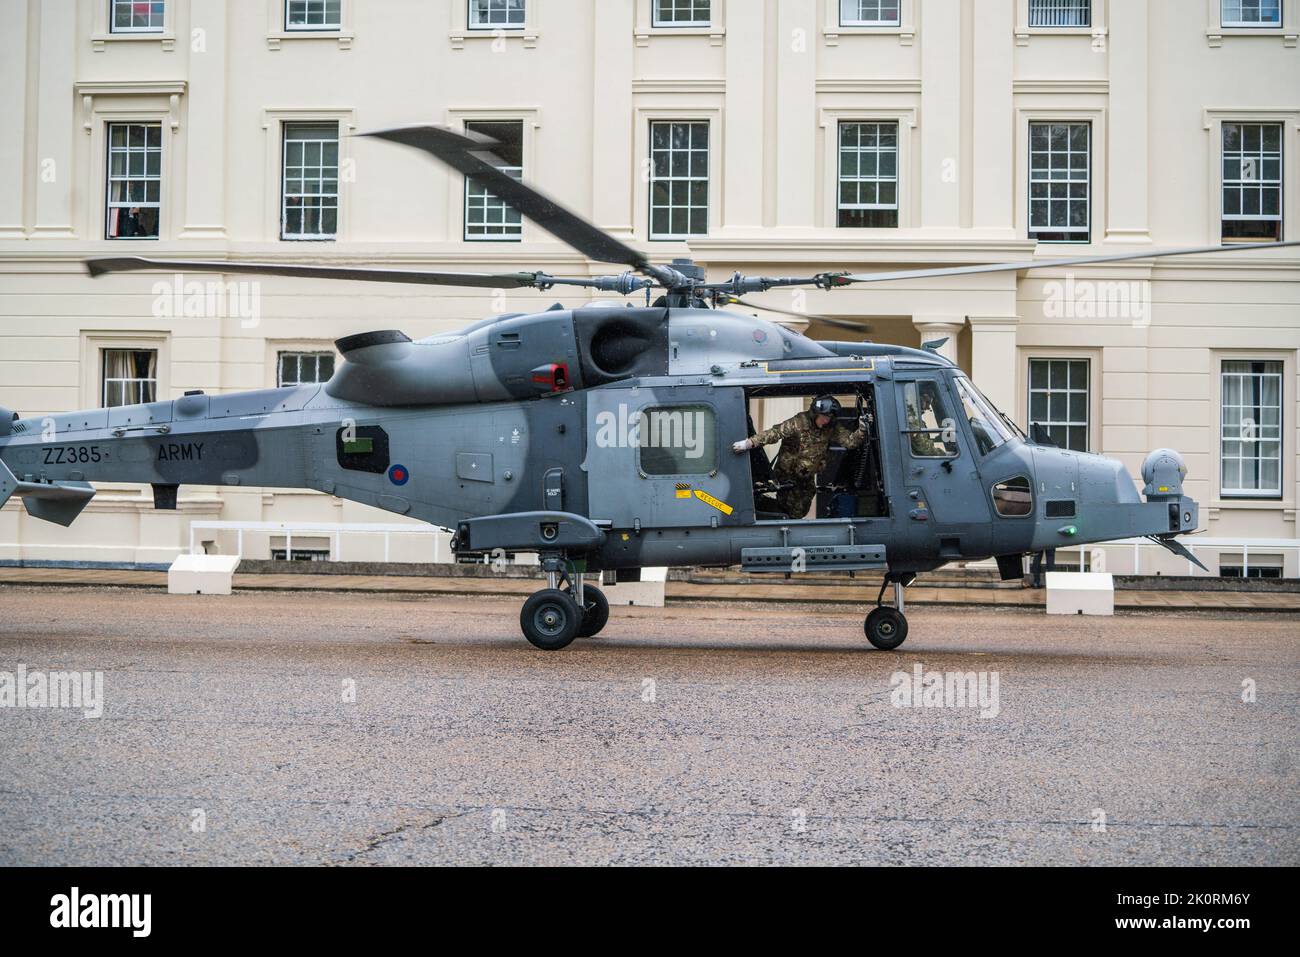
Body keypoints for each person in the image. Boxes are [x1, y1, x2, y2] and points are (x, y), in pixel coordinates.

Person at [732, 395, 866, 519]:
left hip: (806, 476)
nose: (826, 420)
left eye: (829, 417)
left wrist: (862, 429)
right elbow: (775, 433)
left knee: (801, 508)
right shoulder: (798, 422)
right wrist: (749, 443)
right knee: (787, 508)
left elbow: (849, 441)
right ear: (815, 413)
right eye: (824, 416)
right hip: (787, 475)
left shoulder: (831, 427)